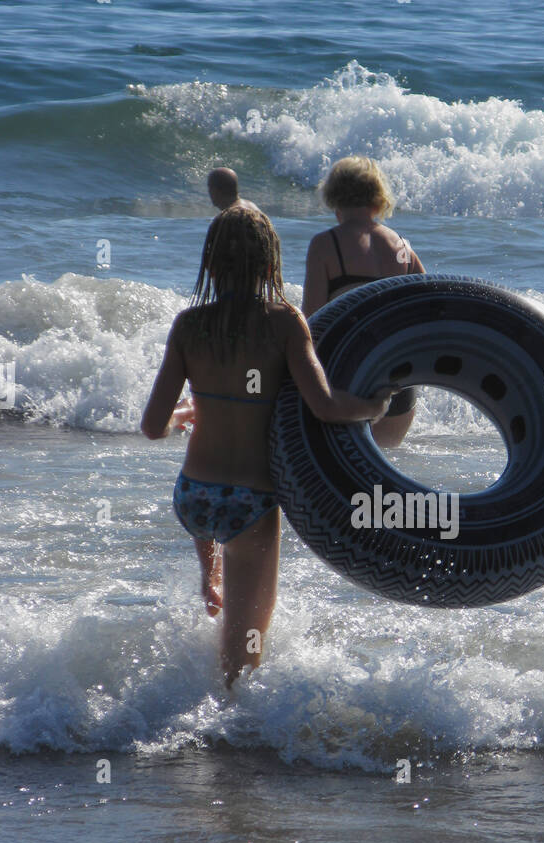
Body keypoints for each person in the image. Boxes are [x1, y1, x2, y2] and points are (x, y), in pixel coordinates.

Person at [141, 207, 392, 688]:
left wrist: (187, 415)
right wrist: (373, 407)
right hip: (249, 504)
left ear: (211, 265)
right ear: (270, 266)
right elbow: (324, 405)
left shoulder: (189, 324)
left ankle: (209, 576)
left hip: (193, 496)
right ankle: (228, 745)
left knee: (228, 608)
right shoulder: (283, 322)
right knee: (243, 658)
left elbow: (153, 427)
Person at [302, 156, 425, 448]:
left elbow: (313, 321)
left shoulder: (325, 245)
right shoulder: (402, 247)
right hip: (399, 380)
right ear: (378, 197)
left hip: (348, 379)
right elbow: (427, 307)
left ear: (334, 197)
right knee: (386, 473)